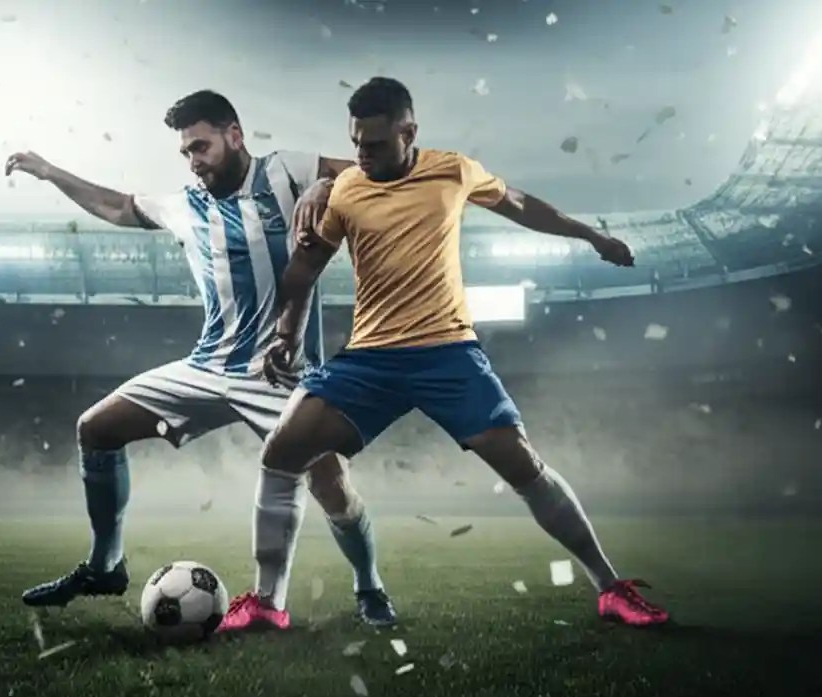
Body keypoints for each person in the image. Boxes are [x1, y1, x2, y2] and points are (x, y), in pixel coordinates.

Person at [262, 77, 669, 627]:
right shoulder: (346, 191)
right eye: (355, 142)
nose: (361, 154)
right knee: (282, 452)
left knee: (525, 466)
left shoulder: (452, 170)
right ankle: (300, 600)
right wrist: (286, 334)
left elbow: (520, 203)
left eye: (375, 144)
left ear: (410, 132)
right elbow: (306, 267)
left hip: (447, 354)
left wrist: (589, 236)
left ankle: (610, 587)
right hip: (370, 359)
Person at [4, 90, 397, 630]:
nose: (194, 160)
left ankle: (369, 586)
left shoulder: (286, 171)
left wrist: (327, 184)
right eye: (186, 152)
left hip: (283, 375)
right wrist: (50, 172)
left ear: (235, 135)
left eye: (202, 146)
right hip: (207, 366)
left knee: (333, 487)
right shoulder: (184, 205)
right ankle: (105, 565)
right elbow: (118, 206)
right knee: (95, 428)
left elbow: (374, 172)